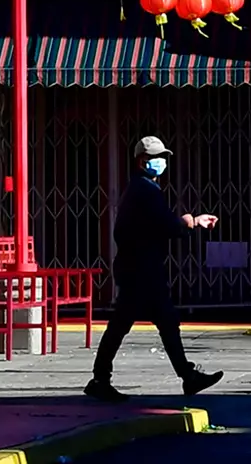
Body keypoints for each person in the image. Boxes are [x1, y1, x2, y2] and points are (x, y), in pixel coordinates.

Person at [85, 136, 223, 401]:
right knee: (127, 324)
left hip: (140, 269)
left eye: (162, 157)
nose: (160, 162)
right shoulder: (145, 190)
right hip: (141, 272)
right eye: (153, 158)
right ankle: (101, 379)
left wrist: (185, 223)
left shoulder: (142, 189)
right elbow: (167, 225)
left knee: (160, 322)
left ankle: (186, 376)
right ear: (141, 161)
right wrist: (191, 221)